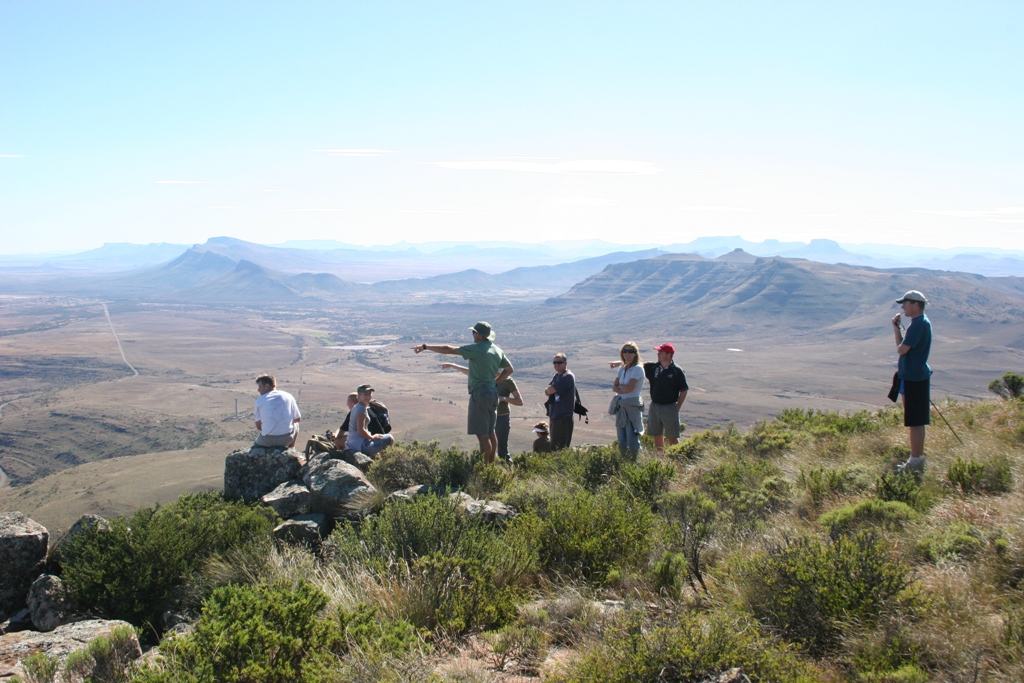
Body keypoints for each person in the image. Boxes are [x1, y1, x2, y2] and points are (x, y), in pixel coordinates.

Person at [413, 321, 513, 463]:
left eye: (473, 332)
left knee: (482, 435)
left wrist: (425, 346)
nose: (472, 335)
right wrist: (496, 382)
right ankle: (490, 468)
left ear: (478, 334)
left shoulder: (477, 349)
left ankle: (484, 470)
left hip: (480, 394)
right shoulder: (496, 350)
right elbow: (509, 370)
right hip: (492, 393)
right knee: (490, 433)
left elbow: (448, 349)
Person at [441, 362, 523, 462]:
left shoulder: (508, 381)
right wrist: (453, 365)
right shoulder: (485, 378)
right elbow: (470, 372)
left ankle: (507, 468)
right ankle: (488, 467)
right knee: (485, 442)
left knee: (502, 448)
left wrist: (503, 398)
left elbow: (519, 401)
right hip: (487, 416)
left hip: (502, 416)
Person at [892, 290, 932, 474]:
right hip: (912, 376)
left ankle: (916, 459)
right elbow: (902, 347)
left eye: (905, 303)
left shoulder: (918, 325)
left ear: (916, 305)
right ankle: (916, 457)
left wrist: (900, 335)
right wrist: (897, 328)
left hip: (914, 378)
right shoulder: (917, 324)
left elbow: (902, 350)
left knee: (915, 421)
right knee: (914, 418)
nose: (902, 306)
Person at [643, 343, 688, 455]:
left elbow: (684, 390)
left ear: (669, 355)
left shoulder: (677, 371)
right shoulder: (653, 367)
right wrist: (619, 363)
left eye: (660, 352)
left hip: (669, 407)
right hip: (655, 406)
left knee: (672, 436)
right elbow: (636, 364)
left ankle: (676, 459)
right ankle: (660, 459)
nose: (658, 354)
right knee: (657, 434)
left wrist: (677, 406)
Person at [607, 341, 646, 458]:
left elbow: (629, 388)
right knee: (622, 438)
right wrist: (621, 389)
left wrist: (620, 388)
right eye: (625, 351)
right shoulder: (622, 368)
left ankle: (636, 461)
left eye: (630, 351)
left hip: (632, 406)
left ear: (635, 354)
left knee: (632, 438)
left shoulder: (638, 369)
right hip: (621, 406)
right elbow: (614, 387)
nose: (627, 354)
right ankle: (624, 461)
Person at [344, 384, 395, 457]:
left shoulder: (357, 406)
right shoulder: (361, 409)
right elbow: (360, 430)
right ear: (359, 395)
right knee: (390, 438)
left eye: (369, 394)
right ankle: (385, 460)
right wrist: (372, 437)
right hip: (362, 446)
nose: (368, 396)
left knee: (381, 438)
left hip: (353, 444)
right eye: (365, 394)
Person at [253, 374, 301, 449]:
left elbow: (259, 426)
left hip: (266, 440)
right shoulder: (288, 396)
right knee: (296, 424)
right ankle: (291, 449)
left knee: (255, 446)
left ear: (267, 386)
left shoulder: (259, 401)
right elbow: (297, 419)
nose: (258, 390)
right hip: (286, 439)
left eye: (260, 387)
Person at [545, 352, 576, 450]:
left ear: (565, 363)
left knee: (559, 448)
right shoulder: (558, 376)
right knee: (554, 446)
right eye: (554, 363)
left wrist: (549, 390)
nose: (556, 365)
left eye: (559, 362)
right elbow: (548, 391)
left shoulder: (567, 377)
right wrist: (549, 390)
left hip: (563, 418)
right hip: (555, 416)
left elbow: (549, 390)